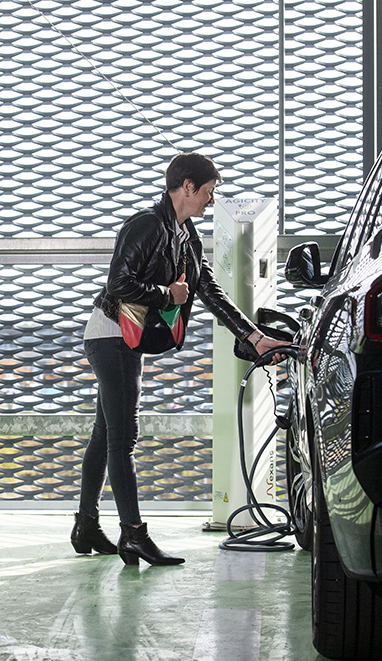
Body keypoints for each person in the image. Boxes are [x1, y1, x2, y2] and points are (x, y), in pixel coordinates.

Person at [70, 153, 287, 566]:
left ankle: (86, 526)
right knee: (123, 438)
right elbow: (118, 282)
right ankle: (132, 535)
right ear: (187, 186)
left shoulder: (184, 235)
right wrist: (168, 295)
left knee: (105, 435)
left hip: (125, 339)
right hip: (111, 334)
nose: (210, 200)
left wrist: (252, 336)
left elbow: (209, 291)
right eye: (208, 192)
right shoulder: (145, 225)